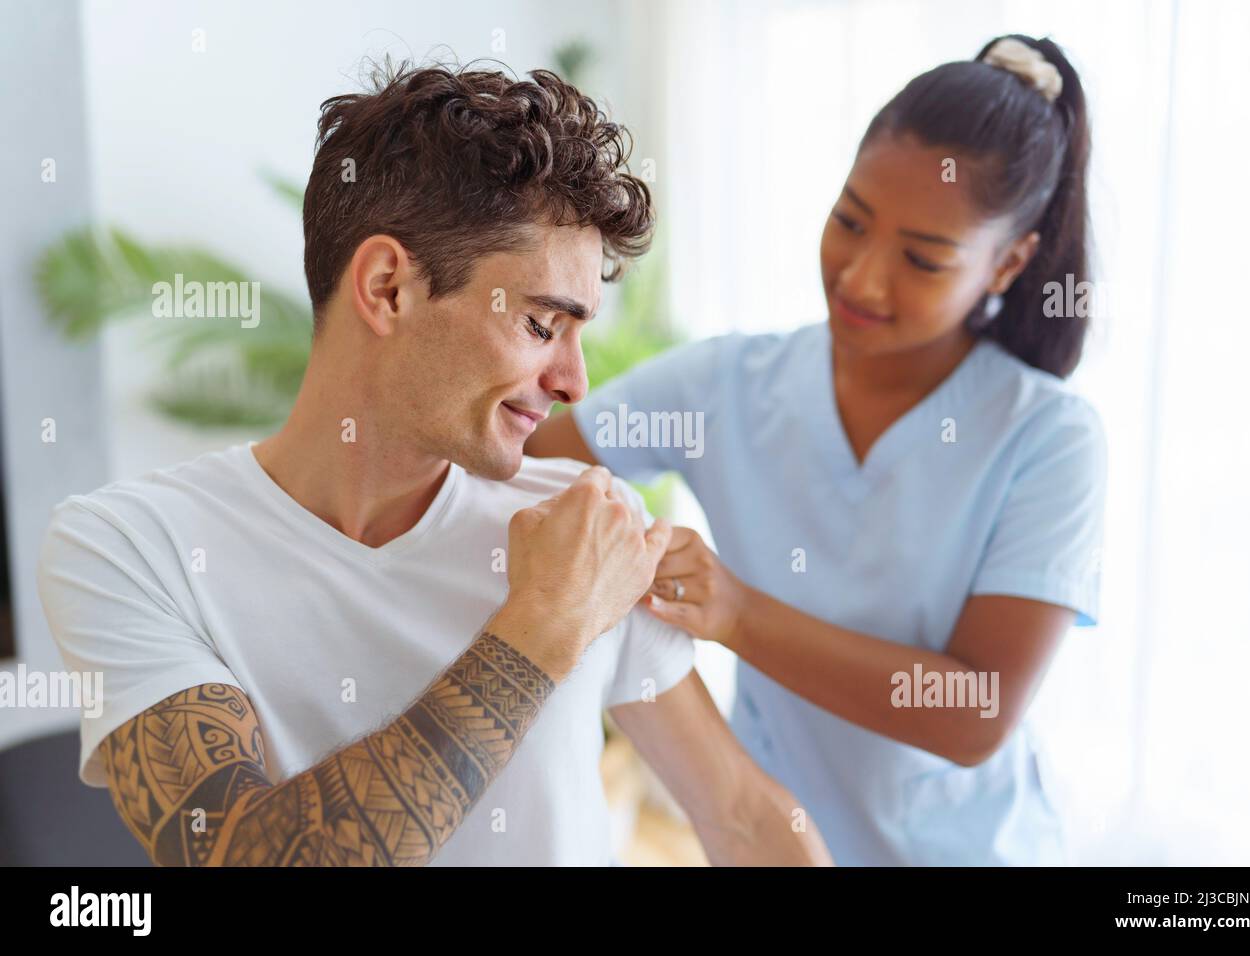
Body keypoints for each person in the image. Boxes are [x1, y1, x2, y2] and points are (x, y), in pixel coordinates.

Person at [36, 61, 832, 867]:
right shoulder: (130, 546)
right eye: (538, 323)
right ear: (388, 288)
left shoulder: (583, 525)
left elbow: (743, 817)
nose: (574, 382)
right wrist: (547, 623)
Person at [526, 35, 1107, 866]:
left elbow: (974, 711)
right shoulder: (724, 387)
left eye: (922, 258)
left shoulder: (1048, 439)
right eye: (850, 222)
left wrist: (737, 614)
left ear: (1009, 263)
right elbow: (525, 459)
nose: (862, 279)